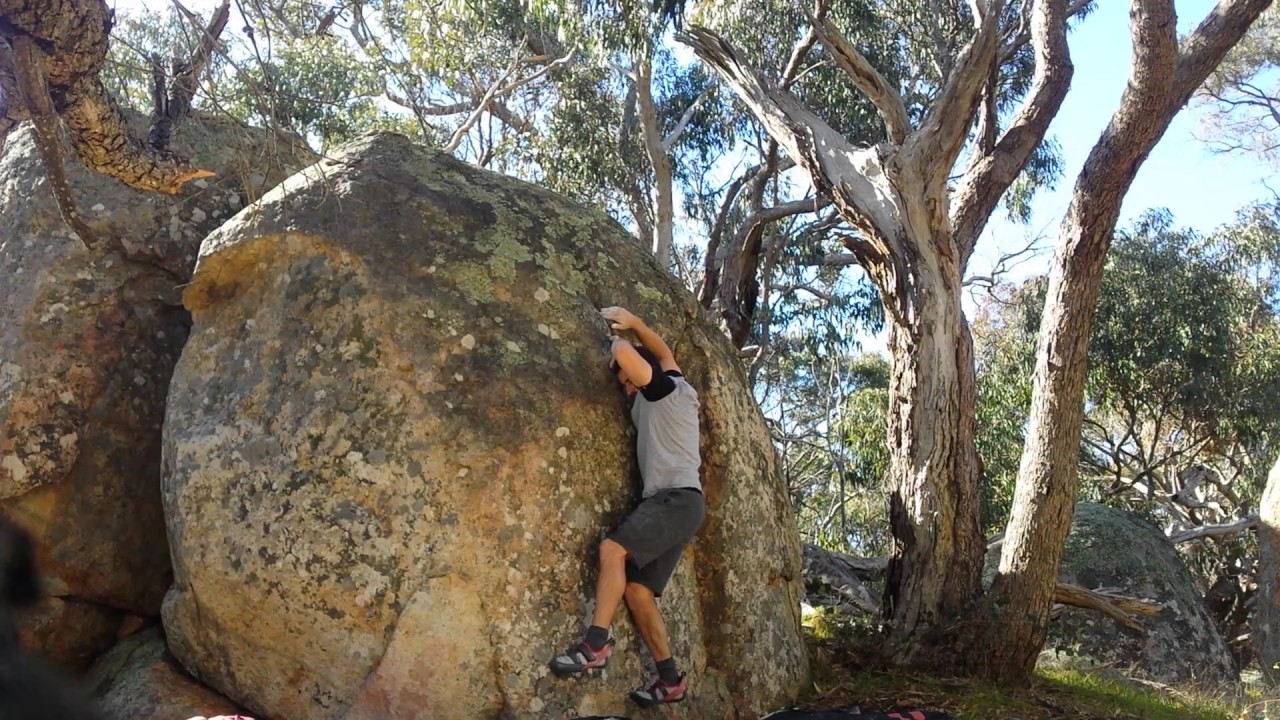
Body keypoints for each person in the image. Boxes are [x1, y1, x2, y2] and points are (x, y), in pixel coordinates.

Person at [548, 306, 705, 708]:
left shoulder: (664, 391)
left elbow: (629, 354)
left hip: (674, 499)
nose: (627, 389)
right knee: (637, 591)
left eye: (628, 381)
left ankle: (594, 645)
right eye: (624, 386)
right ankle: (670, 681)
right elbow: (665, 353)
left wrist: (621, 336)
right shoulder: (672, 385)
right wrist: (637, 326)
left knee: (612, 549)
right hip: (682, 505)